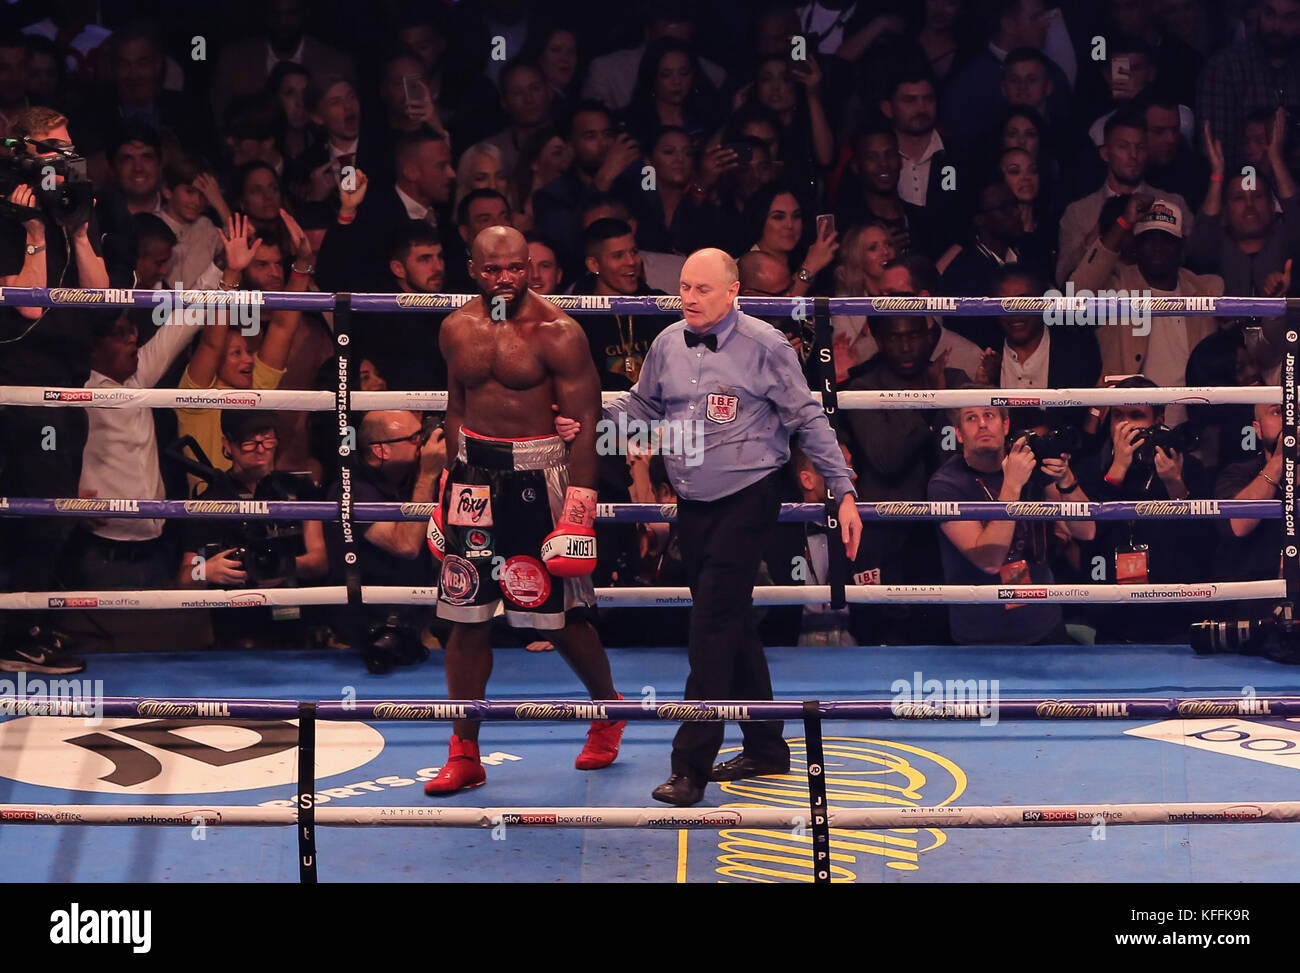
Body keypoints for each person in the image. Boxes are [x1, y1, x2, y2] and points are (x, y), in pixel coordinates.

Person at [600, 247, 861, 807]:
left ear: (733, 292)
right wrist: (594, 418)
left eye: (702, 289)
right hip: (692, 502)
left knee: (711, 628)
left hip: (749, 497)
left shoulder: (766, 346)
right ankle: (767, 746)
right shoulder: (669, 342)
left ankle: (689, 765)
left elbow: (807, 418)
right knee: (732, 621)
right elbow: (642, 406)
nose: (689, 298)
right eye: (685, 288)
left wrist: (843, 490)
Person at [425, 225, 624, 796]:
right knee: (463, 617)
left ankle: (608, 710)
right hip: (472, 479)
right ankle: (464, 751)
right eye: (493, 270)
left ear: (530, 267)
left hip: (539, 477)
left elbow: (586, 428)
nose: (506, 279)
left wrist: (579, 513)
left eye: (517, 268)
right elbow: (455, 406)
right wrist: (447, 485)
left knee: (556, 618)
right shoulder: (455, 327)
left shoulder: (557, 332)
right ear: (473, 269)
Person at [929, 390, 1095, 645]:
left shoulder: (1028, 462)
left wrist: (1066, 480)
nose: (983, 423)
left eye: (989, 415)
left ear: (1005, 424)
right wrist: (1012, 486)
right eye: (971, 418)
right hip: (980, 638)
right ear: (958, 433)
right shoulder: (946, 484)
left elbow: (1086, 531)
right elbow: (989, 560)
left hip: (1044, 626)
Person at [324, 411, 445, 672]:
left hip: (417, 629)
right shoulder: (350, 491)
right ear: (381, 451)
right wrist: (427, 476)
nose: (424, 443)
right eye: (415, 438)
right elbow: (406, 546)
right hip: (361, 642)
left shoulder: (410, 481)